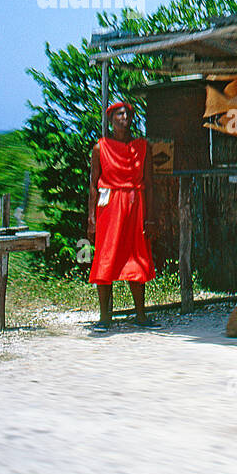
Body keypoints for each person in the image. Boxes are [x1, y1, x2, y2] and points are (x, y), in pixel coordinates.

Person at [88, 101, 157, 329]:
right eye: (119, 113)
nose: (124, 116)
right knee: (105, 259)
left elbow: (149, 183)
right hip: (109, 209)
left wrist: (150, 216)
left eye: (127, 113)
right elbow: (93, 185)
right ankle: (104, 318)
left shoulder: (142, 146)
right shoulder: (101, 147)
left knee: (137, 258)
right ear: (111, 119)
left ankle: (141, 315)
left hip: (136, 206)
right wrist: (91, 218)